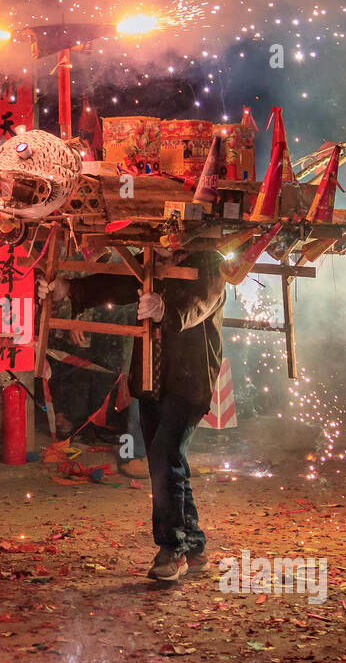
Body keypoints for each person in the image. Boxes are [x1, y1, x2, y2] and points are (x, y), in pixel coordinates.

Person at [41, 246, 225, 582]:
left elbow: (199, 304)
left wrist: (167, 310)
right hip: (150, 380)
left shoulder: (209, 263)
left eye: (171, 245)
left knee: (164, 456)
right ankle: (195, 545)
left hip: (190, 382)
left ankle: (172, 548)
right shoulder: (151, 265)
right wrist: (71, 289)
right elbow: (119, 284)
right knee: (168, 462)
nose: (164, 250)